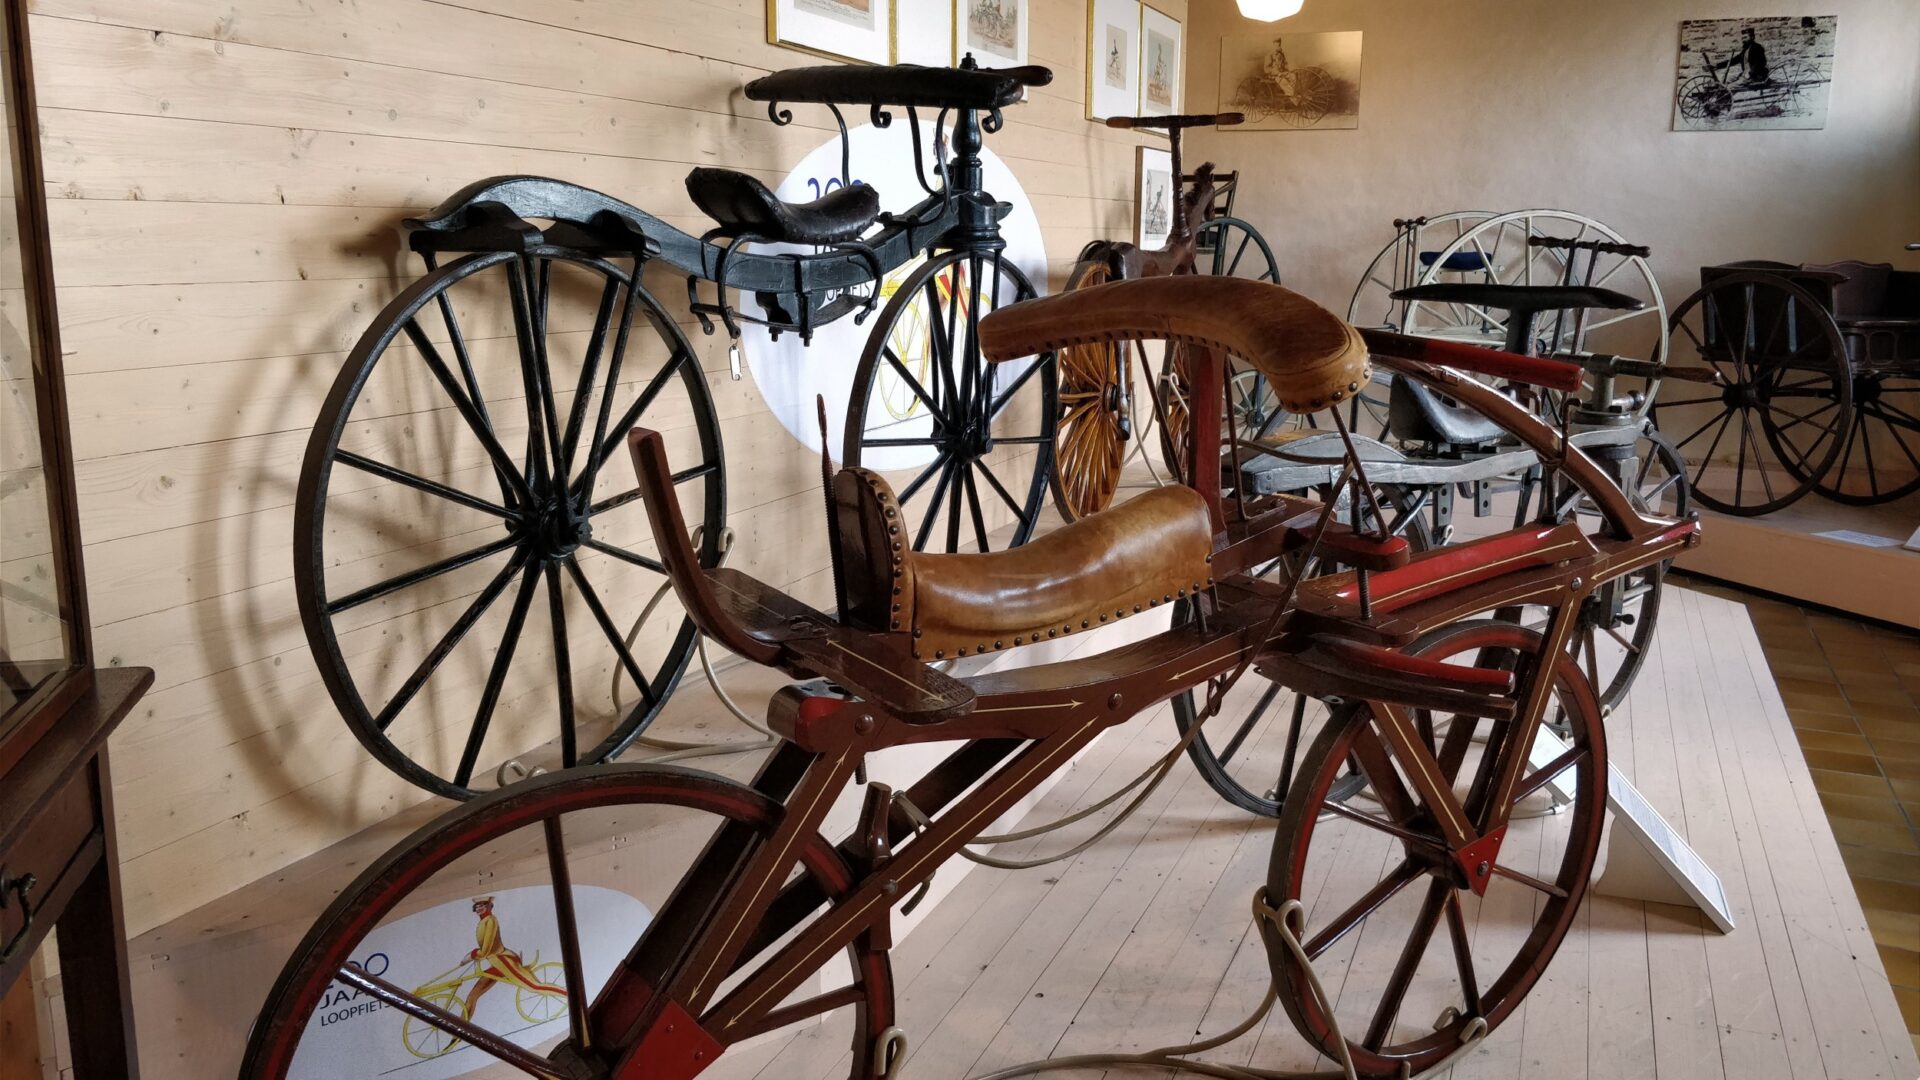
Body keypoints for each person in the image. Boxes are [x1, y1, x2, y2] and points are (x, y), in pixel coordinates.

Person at [460, 896, 565, 1021]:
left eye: (481, 905)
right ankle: (459, 1032)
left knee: (534, 987)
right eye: (477, 907)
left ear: (488, 906)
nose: (479, 908)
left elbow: (485, 951)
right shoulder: (482, 922)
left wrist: (470, 956)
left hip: (504, 961)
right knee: (473, 994)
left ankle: (570, 995)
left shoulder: (491, 921)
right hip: (497, 964)